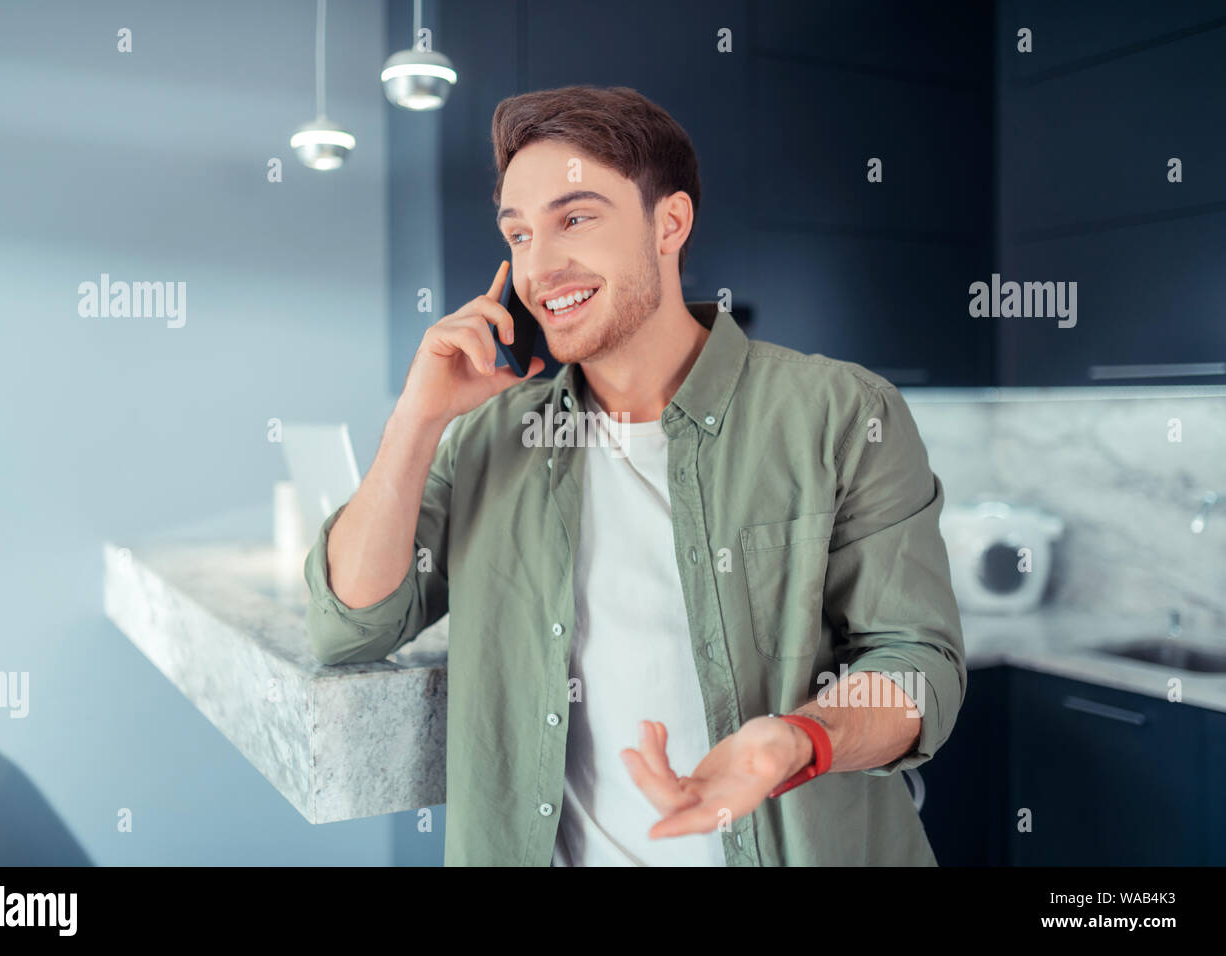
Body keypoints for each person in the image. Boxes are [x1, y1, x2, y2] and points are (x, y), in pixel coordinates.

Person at [304, 85, 966, 866]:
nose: (540, 266)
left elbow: (917, 664)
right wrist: (417, 419)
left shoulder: (840, 412)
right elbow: (350, 626)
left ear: (670, 223)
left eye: (574, 219)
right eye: (517, 236)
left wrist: (799, 740)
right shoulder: (493, 437)